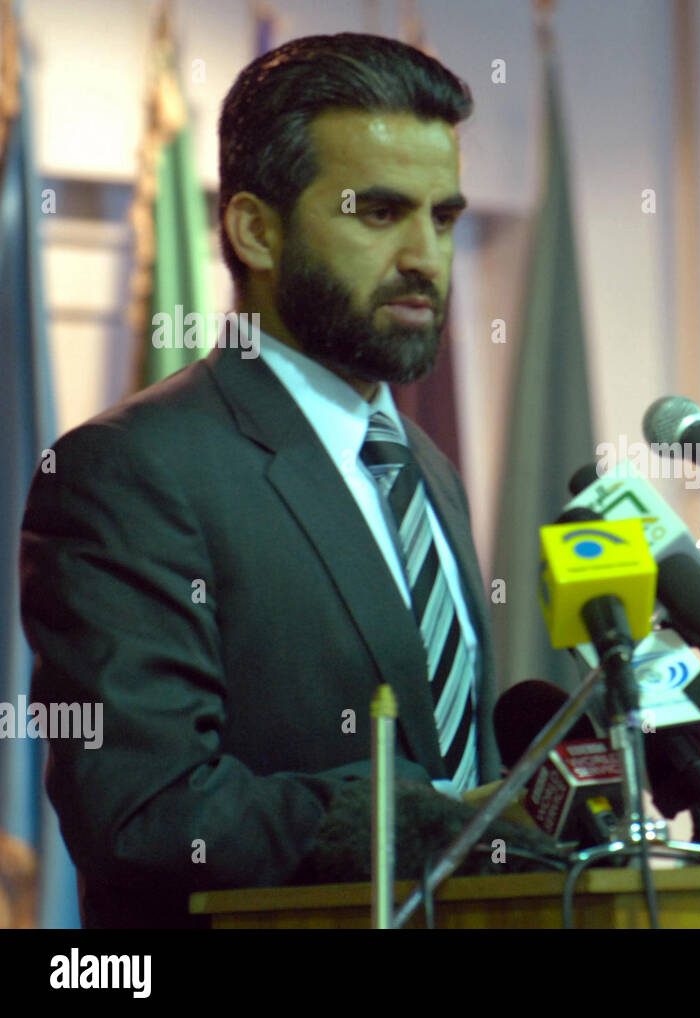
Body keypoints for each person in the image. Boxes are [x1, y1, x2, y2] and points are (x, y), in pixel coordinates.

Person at [20, 34, 520, 928]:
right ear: (256, 228)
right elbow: (140, 811)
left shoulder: (424, 468)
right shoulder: (131, 471)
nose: (424, 257)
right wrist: (404, 824)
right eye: (378, 212)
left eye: (443, 219)